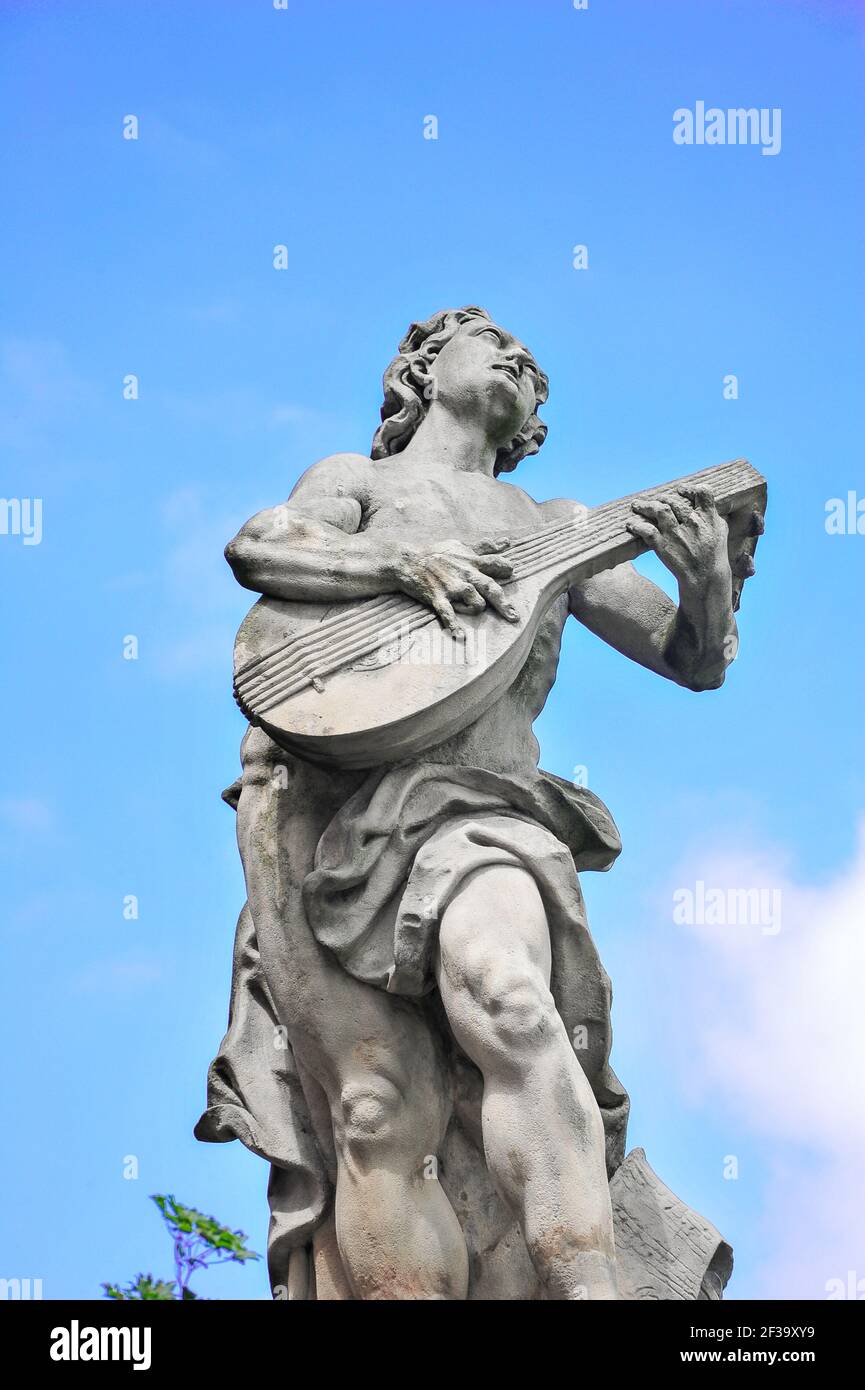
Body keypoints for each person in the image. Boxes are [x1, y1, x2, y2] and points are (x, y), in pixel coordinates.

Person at [197, 306, 738, 1300]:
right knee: (369, 1108)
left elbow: (687, 658)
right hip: (327, 798)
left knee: (508, 993)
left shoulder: (554, 527)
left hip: (481, 801)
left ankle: (588, 1288)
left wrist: (708, 594)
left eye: (532, 363)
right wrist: (398, 563)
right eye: (489, 338)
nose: (516, 357)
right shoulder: (356, 481)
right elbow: (262, 549)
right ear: (416, 371)